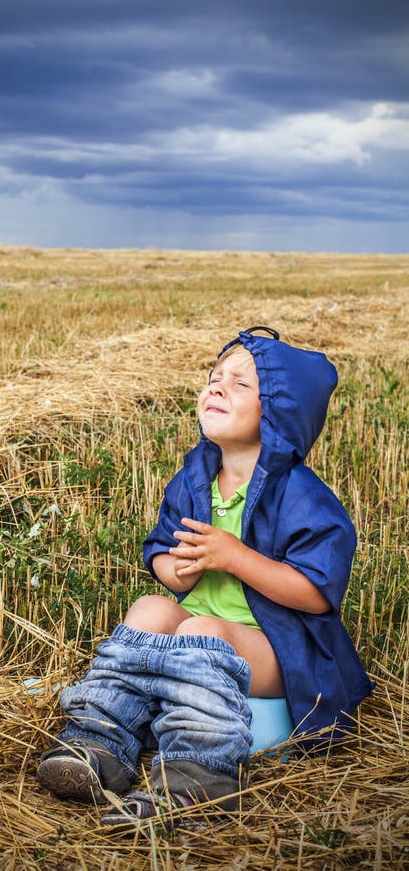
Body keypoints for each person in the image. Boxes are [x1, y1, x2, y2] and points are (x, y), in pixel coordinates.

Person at [36, 327, 373, 831]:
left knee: (202, 631)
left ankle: (198, 780)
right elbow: (159, 549)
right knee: (150, 609)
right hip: (201, 629)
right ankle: (96, 742)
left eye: (240, 383)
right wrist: (176, 569)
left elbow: (317, 594)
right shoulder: (194, 478)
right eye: (215, 377)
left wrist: (235, 558)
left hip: (279, 648)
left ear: (278, 412)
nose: (217, 386)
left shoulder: (303, 497)